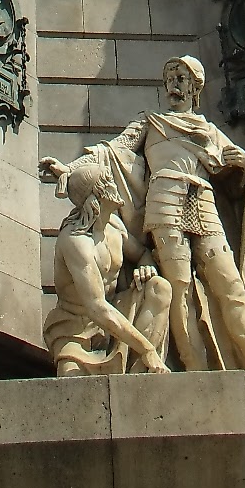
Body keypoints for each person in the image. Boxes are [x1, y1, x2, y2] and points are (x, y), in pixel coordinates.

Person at [43, 56, 245, 371]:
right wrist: (70, 170)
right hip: (164, 205)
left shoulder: (209, 131)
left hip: (203, 202)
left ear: (196, 86)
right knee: (179, 290)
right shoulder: (150, 121)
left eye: (181, 79)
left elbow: (239, 175)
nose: (174, 85)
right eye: (170, 79)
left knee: (230, 284)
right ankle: (194, 370)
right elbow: (113, 150)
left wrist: (243, 165)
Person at [38, 155, 172, 376]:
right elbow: (97, 307)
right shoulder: (76, 242)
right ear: (97, 195)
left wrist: (146, 267)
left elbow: (143, 254)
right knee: (73, 383)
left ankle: (141, 373)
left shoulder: (114, 225)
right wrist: (147, 347)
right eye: (108, 181)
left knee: (160, 287)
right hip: (77, 329)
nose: (114, 185)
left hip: (115, 315)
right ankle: (145, 357)